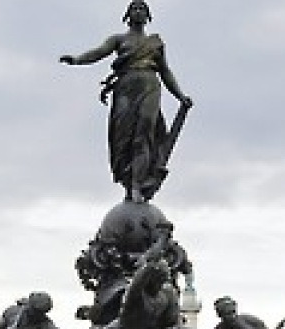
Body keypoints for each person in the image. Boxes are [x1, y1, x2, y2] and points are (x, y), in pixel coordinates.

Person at [59, 0, 193, 203]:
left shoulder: (155, 44)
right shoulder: (119, 39)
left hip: (149, 85)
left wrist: (180, 96)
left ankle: (137, 185)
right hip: (125, 87)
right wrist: (77, 60)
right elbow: (98, 52)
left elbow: (165, 71)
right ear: (127, 15)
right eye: (134, 9)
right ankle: (128, 183)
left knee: (144, 134)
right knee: (123, 138)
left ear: (148, 16)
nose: (138, 11)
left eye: (142, 9)